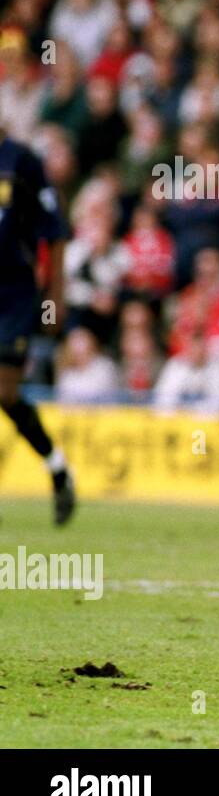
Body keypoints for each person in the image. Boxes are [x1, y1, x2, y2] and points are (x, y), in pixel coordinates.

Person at [0, 123, 76, 524]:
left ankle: (57, 466)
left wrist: (55, 296)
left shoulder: (22, 161)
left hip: (13, 293)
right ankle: (59, 467)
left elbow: (55, 231)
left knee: (6, 393)